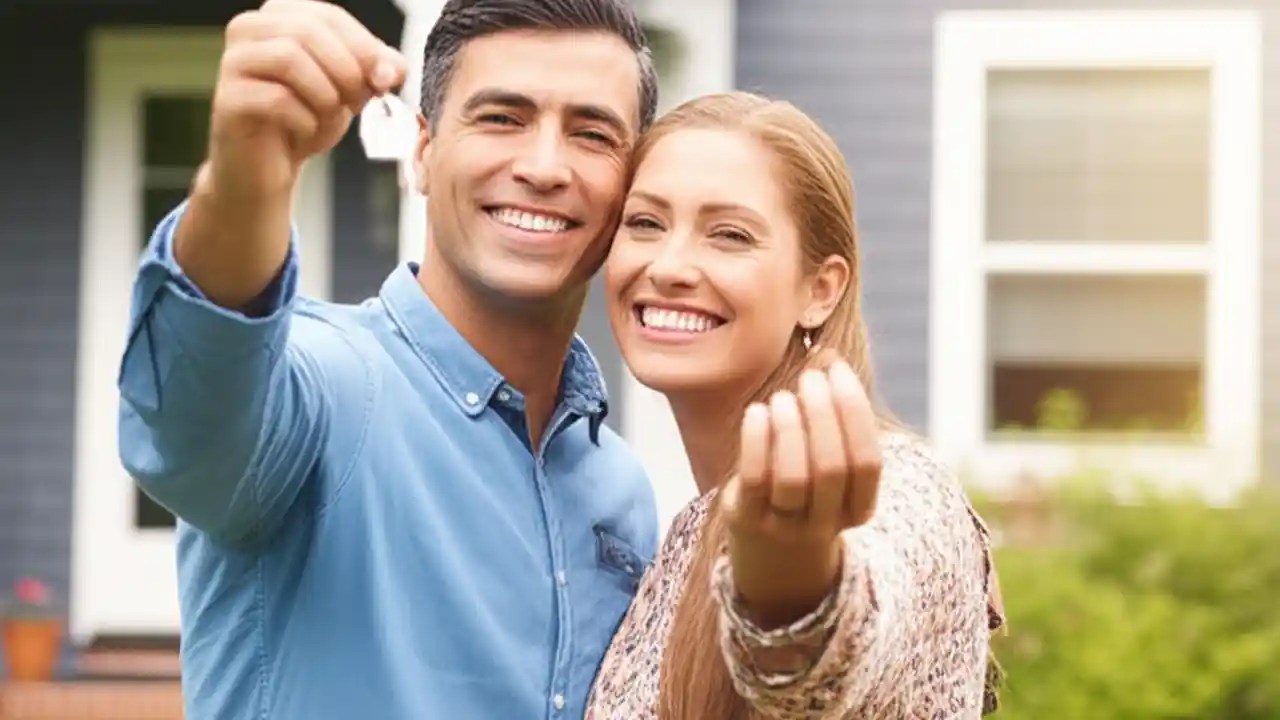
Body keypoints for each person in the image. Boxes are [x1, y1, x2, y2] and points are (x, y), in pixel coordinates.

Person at [115, 0, 661, 717]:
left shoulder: (621, 492)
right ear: (423, 151)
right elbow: (195, 422)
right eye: (502, 118)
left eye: (592, 134)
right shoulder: (324, 390)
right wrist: (245, 180)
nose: (544, 165)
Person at [585, 91, 1005, 719]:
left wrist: (790, 581)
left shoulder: (899, 488)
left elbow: (833, 649)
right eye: (645, 223)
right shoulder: (678, 535)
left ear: (820, 290)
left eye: (729, 235)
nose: (669, 265)